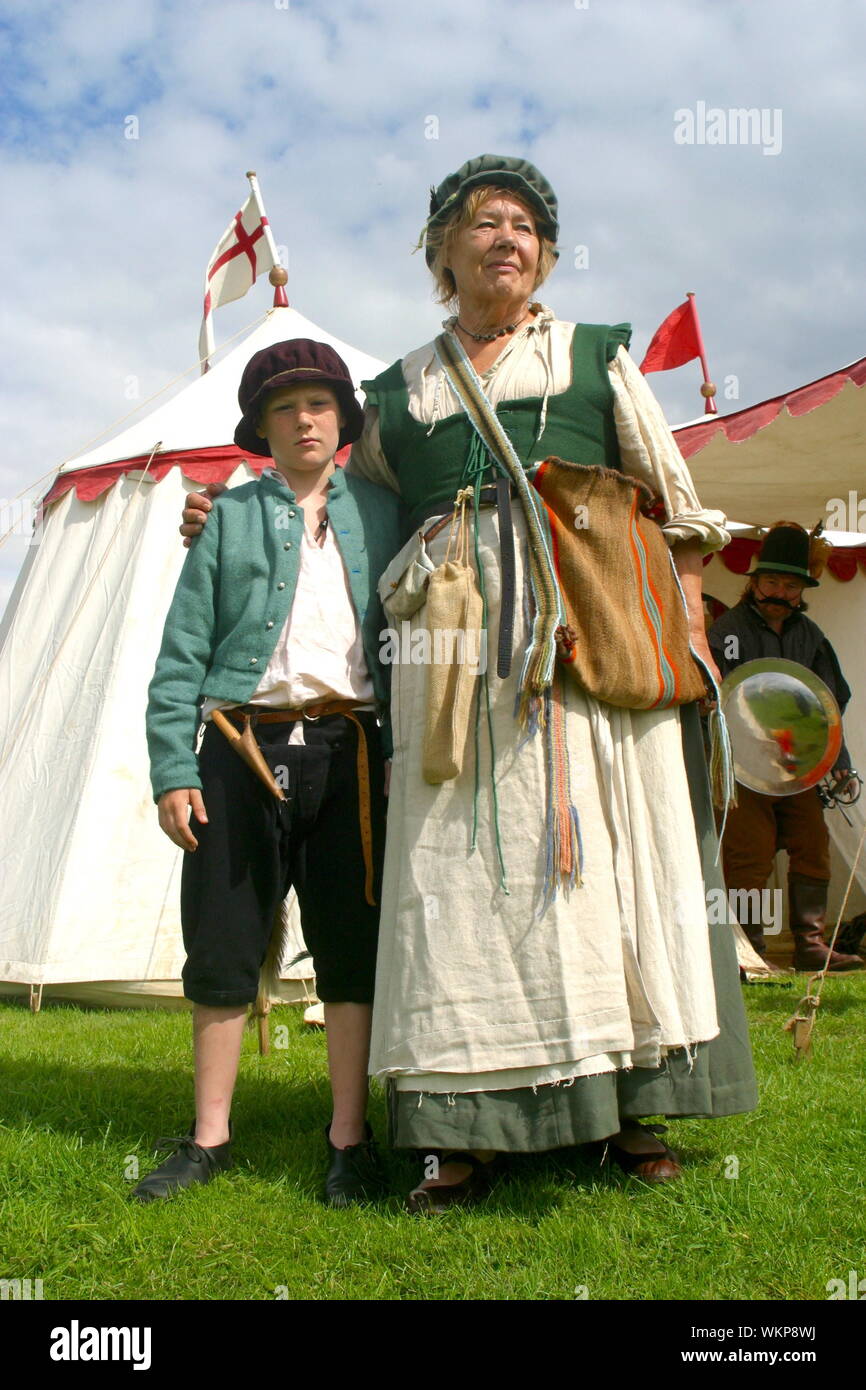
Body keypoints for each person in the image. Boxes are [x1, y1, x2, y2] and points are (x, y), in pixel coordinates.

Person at [183, 154, 758, 1212]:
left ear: (542, 253)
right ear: (440, 253)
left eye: (525, 225)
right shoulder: (397, 391)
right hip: (444, 664)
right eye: (483, 223)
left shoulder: (593, 358)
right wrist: (228, 514)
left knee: (605, 863)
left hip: (587, 645)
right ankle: (460, 1124)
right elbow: (337, 521)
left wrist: (680, 620)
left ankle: (628, 1106)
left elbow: (675, 507)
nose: (507, 237)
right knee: (458, 877)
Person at [138, 339, 403, 1206]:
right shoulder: (227, 517)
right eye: (285, 407)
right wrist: (174, 766)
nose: (304, 418)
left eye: (320, 403)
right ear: (261, 426)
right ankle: (208, 1137)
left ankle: (349, 1139)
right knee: (221, 938)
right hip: (237, 747)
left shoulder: (383, 512)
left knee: (351, 946)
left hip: (351, 751)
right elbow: (182, 652)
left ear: (343, 419)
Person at [708, 521, 863, 973]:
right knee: (749, 858)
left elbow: (829, 704)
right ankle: (750, 948)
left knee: (812, 846)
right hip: (744, 766)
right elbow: (713, 695)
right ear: (754, 581)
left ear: (801, 590)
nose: (778, 590)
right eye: (771, 580)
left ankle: (811, 946)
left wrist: (839, 761)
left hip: (799, 766)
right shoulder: (726, 631)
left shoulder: (810, 636)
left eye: (789, 584)